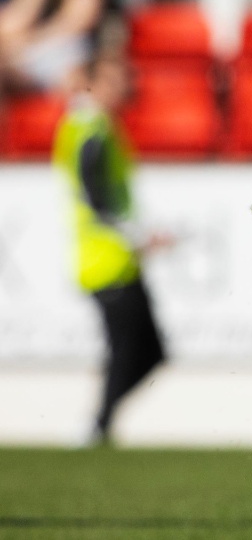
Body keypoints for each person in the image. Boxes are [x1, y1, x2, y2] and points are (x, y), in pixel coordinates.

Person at [52, 51, 166, 447]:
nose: (125, 91)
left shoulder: (94, 125)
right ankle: (97, 424)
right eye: (117, 82)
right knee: (131, 349)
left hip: (116, 258)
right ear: (96, 84)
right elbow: (94, 195)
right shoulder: (91, 128)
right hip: (106, 258)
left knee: (147, 351)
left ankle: (99, 422)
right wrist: (136, 235)